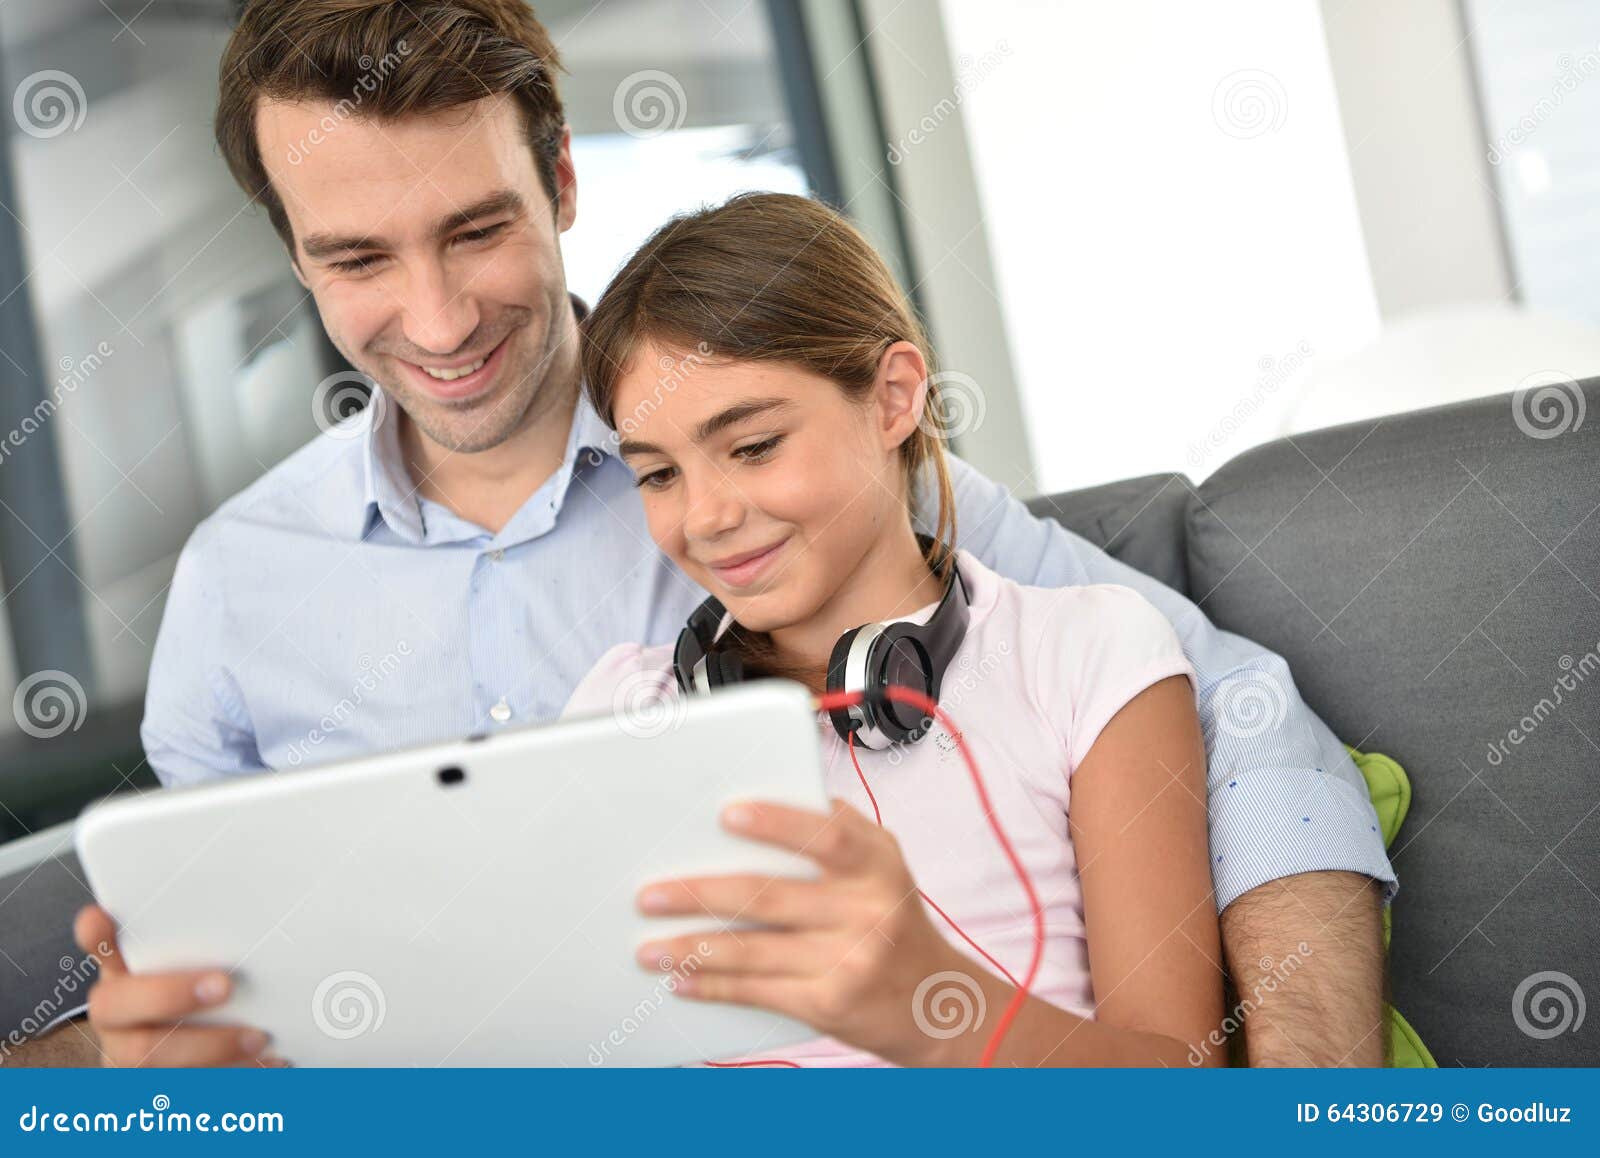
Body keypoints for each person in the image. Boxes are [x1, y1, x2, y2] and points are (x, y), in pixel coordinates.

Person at [36, 0, 1390, 1068]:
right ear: (293, 256)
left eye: (476, 229)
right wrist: (140, 1063)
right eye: (358, 259)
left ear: (563, 179)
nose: (440, 321)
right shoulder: (234, 590)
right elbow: (204, 1001)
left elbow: (1243, 716)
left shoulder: (844, 493)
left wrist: (1318, 1107)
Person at [561, 191, 1222, 1066]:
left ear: (894, 398)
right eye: (657, 476)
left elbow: (1187, 1093)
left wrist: (931, 1007)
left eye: (753, 446)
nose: (706, 515)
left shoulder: (1087, 653)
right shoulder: (622, 706)